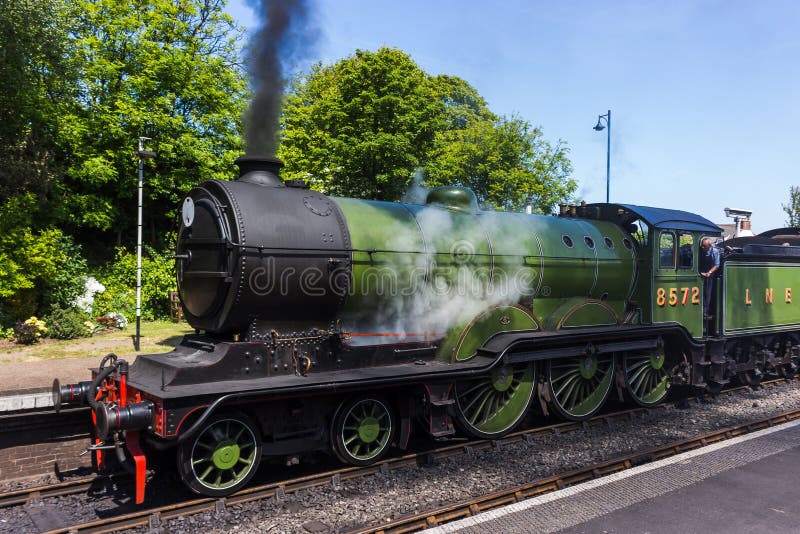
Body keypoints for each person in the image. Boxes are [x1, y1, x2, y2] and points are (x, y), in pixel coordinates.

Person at [699, 238, 720, 317]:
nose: (702, 247)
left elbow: (717, 265)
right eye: (702, 245)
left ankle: (705, 311)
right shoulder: (701, 250)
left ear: (709, 245)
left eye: (704, 246)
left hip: (709, 274)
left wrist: (709, 272)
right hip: (701, 272)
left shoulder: (715, 251)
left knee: (707, 293)